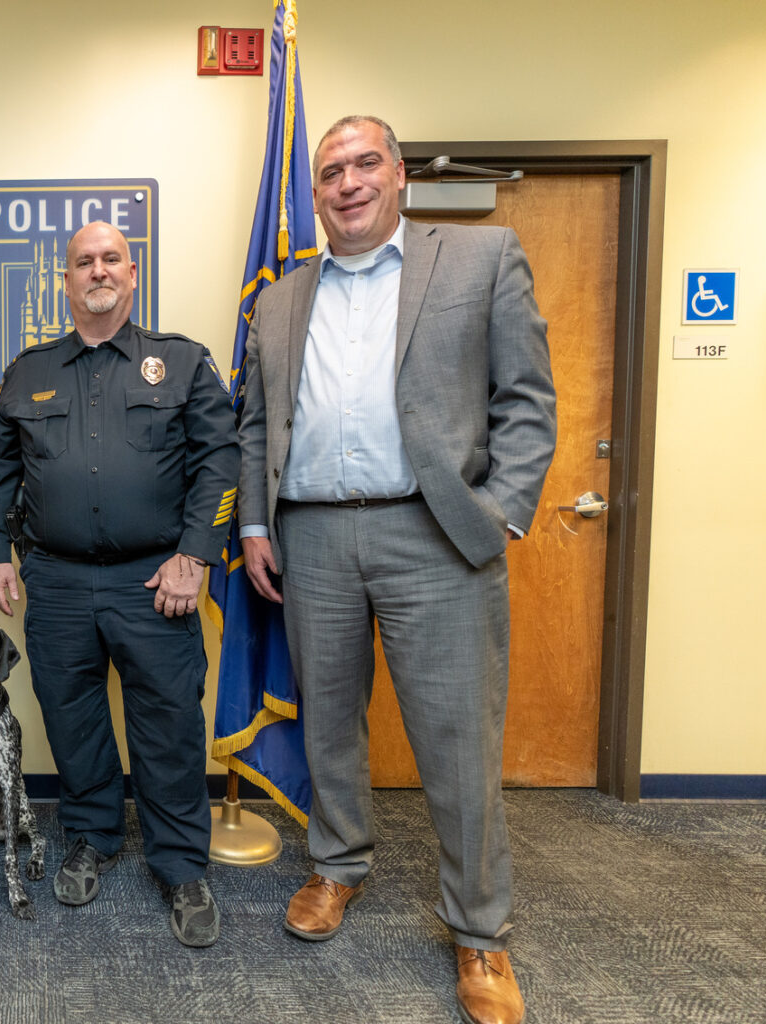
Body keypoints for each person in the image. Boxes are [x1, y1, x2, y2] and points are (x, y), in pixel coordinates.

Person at [237, 115, 556, 1024]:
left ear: (399, 173)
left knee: (458, 741)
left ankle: (480, 933)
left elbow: (527, 400)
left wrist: (502, 515)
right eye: (330, 170)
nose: (347, 183)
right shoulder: (280, 299)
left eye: (364, 162)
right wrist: (256, 522)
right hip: (316, 539)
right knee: (330, 723)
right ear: (316, 192)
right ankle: (337, 868)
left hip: (438, 535)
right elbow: (259, 424)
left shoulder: (481, 259)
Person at [0, 221, 239, 948]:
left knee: (169, 726)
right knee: (73, 719)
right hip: (56, 581)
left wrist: (196, 555)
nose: (97, 271)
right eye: (82, 262)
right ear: (66, 281)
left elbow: (221, 465)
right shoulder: (28, 371)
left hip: (156, 579)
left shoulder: (181, 363)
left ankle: (181, 866)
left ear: (132, 273)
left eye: (110, 259)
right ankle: (92, 836)